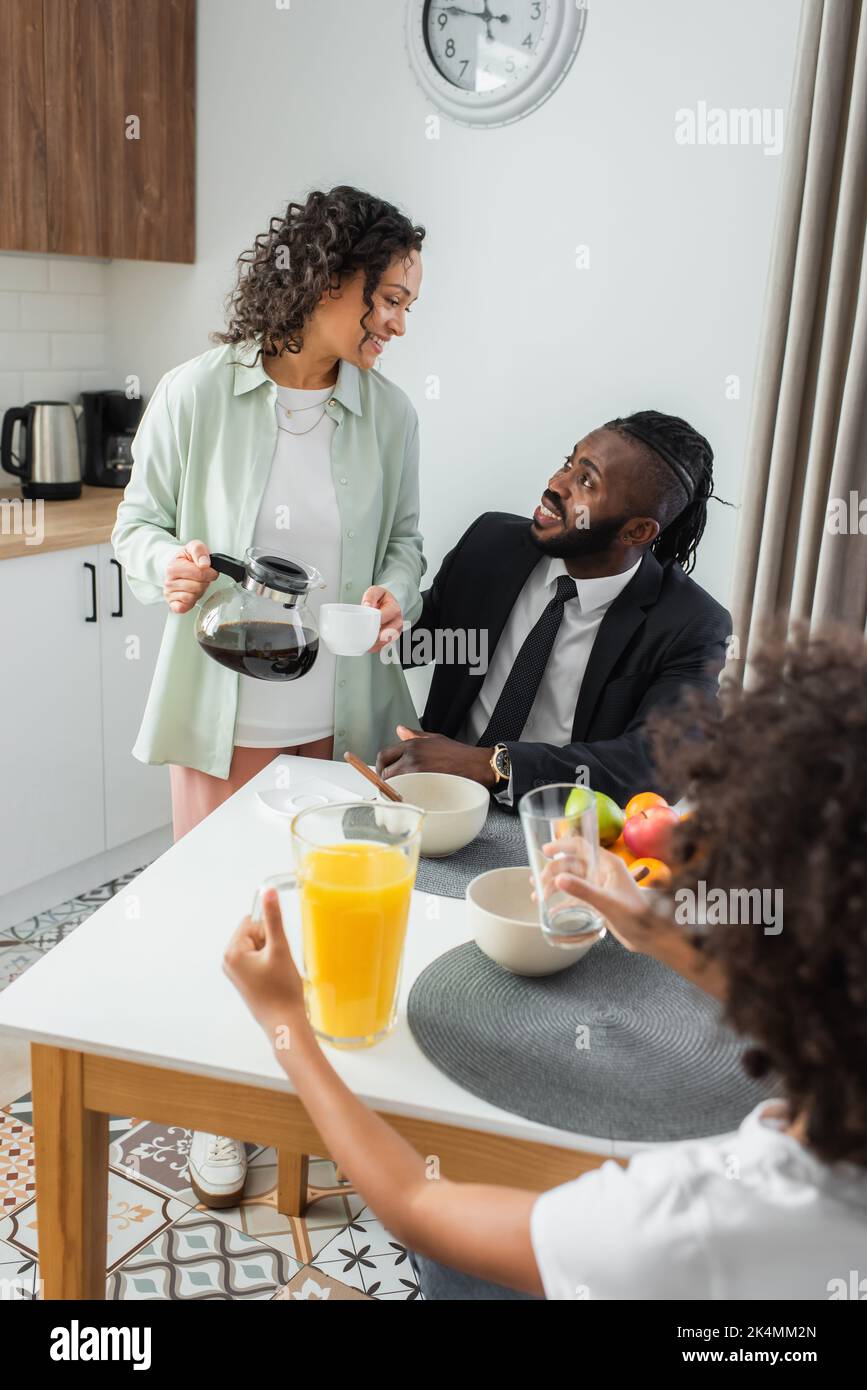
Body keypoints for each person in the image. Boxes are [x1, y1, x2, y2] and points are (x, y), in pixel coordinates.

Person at [224, 627, 867, 1299]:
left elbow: (416, 1205)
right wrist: (656, 933)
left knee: (461, 1248)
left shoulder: (693, 1227)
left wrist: (284, 1024)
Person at [112, 185, 426, 1207]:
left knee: (326, 930)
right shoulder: (198, 391)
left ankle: (315, 1106)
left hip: (341, 723)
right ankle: (218, 1117)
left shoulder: (390, 414)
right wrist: (171, 565)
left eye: (408, 304)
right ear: (327, 281)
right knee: (227, 922)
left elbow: (407, 542)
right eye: (386, 298)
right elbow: (137, 522)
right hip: (225, 715)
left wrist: (394, 592)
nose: (397, 322)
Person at [376, 411, 731, 808]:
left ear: (637, 531)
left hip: (561, 829)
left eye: (586, 482)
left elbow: (657, 766)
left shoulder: (690, 624)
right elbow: (423, 642)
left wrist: (494, 765)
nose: (555, 485)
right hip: (436, 800)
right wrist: (371, 624)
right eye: (569, 463)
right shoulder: (491, 546)